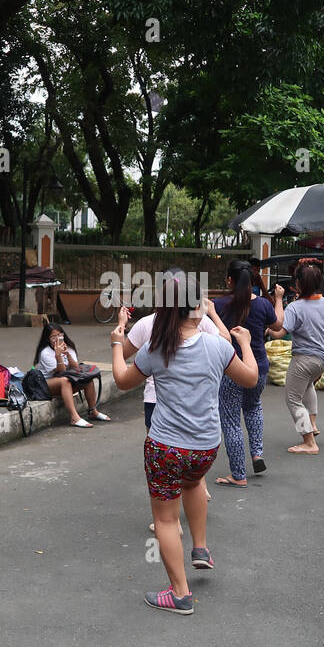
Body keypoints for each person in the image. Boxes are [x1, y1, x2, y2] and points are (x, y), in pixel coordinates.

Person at [110, 276, 258, 615]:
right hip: (205, 446)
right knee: (192, 483)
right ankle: (201, 548)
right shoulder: (217, 345)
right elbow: (249, 378)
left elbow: (121, 380)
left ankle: (180, 593)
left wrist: (117, 343)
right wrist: (246, 343)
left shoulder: (156, 349)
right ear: (197, 308)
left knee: (164, 519)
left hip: (165, 446)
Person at [121, 272, 229, 532]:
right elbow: (226, 343)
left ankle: (170, 522)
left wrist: (117, 338)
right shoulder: (199, 322)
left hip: (157, 405)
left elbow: (124, 358)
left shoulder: (148, 325)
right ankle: (194, 534)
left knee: (167, 464)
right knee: (192, 470)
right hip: (201, 417)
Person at [265, 263, 324, 455]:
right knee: (308, 385)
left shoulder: (295, 307)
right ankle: (313, 425)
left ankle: (309, 441)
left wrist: (277, 301)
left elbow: (278, 333)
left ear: (298, 284)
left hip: (305, 359)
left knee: (292, 398)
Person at [213, 260, 277, 487]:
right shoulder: (262, 304)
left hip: (232, 370)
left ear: (230, 280)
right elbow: (278, 326)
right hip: (259, 367)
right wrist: (278, 300)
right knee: (253, 407)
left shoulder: (219, 305)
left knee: (231, 421)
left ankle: (238, 474)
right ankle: (257, 453)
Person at [34, 323, 108, 427]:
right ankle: (74, 417)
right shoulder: (45, 352)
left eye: (59, 335)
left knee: (87, 380)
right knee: (64, 380)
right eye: (53, 337)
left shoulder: (69, 347)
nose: (56, 339)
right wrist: (58, 355)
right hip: (46, 384)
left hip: (65, 381)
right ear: (47, 339)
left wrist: (67, 354)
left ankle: (93, 411)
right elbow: (61, 372)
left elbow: (76, 368)